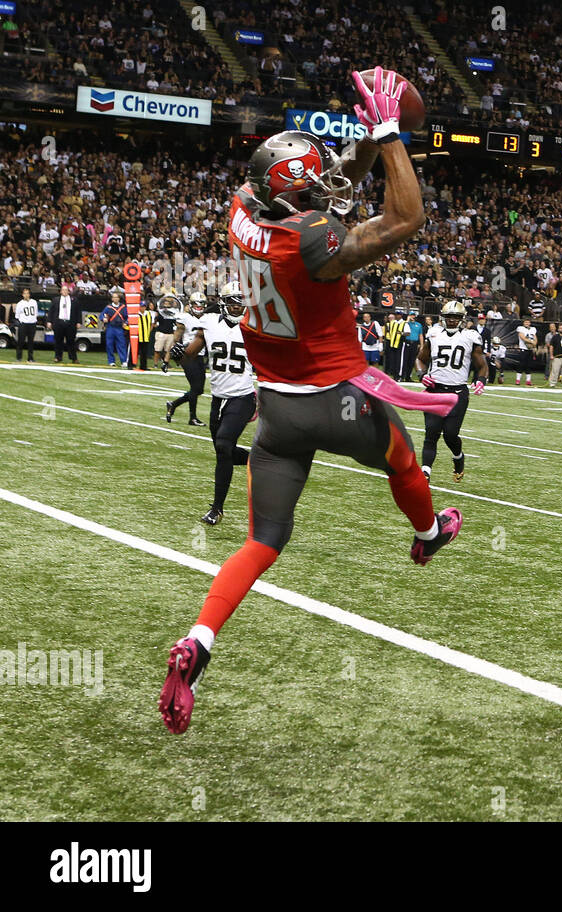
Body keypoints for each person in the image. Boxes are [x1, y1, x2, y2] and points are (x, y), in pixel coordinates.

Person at [159, 70, 463, 736]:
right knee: (405, 464)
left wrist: (353, 145)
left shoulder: (243, 209)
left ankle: (200, 641)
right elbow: (405, 218)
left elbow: (326, 191)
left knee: (262, 542)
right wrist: (386, 135)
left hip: (278, 413)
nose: (328, 183)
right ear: (300, 194)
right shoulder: (313, 243)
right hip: (340, 400)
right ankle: (425, 536)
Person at [179, 282, 257, 525]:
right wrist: (180, 352)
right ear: (223, 303)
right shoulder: (210, 323)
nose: (237, 306)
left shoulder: (252, 326)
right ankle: (258, 460)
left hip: (243, 396)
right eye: (233, 301)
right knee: (223, 452)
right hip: (218, 398)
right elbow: (191, 353)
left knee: (223, 445)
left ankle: (217, 508)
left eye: (240, 301)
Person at [418, 299, 488, 481]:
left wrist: (481, 380)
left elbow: (482, 365)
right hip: (435, 391)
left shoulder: (469, 336)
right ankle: (425, 473)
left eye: (455, 317)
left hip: (457, 393)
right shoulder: (433, 333)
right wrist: (421, 374)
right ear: (442, 317)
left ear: (462, 319)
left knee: (450, 435)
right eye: (449, 317)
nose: (451, 320)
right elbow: (420, 359)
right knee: (431, 432)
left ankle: (458, 458)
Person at [165, 293, 209, 426]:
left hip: (200, 355)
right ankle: (192, 418)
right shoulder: (184, 318)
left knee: (199, 389)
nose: (199, 306)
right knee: (195, 387)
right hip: (187, 356)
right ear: (191, 304)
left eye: (201, 303)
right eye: (196, 303)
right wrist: (166, 359)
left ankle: (173, 404)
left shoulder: (207, 319)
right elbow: (175, 339)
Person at [50, 284, 79, 364]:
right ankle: (58, 357)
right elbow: (51, 311)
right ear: (60, 291)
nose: (65, 292)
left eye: (66, 290)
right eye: (63, 290)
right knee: (58, 341)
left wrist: (79, 322)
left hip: (70, 323)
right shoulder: (56, 300)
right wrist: (49, 321)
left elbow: (78, 312)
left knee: (71, 341)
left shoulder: (74, 300)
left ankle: (74, 358)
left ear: (69, 292)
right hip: (59, 322)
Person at [101, 291, 129, 367]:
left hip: (119, 328)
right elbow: (102, 315)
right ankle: (111, 361)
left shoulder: (123, 307)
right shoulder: (108, 307)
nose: (115, 299)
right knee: (109, 344)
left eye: (116, 297)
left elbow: (127, 317)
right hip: (110, 327)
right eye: (113, 297)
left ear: (119, 299)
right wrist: (104, 319)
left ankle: (123, 361)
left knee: (121, 344)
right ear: (112, 299)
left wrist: (126, 323)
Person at [13, 287, 39, 362]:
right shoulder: (20, 304)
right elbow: (17, 316)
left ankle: (30, 358)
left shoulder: (34, 302)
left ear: (30, 294)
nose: (26, 295)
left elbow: (36, 313)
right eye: (25, 293)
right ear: (22, 294)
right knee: (21, 341)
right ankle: (19, 357)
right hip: (23, 324)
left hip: (32, 324)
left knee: (31, 342)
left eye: (27, 293)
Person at [515, 317, 537, 385]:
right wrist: (531, 341)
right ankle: (518, 380)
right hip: (523, 349)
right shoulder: (520, 328)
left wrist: (534, 343)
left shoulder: (533, 329)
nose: (527, 323)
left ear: (530, 323)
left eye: (528, 322)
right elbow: (522, 337)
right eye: (526, 322)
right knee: (521, 365)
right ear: (523, 323)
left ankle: (528, 380)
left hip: (530, 349)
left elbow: (535, 338)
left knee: (529, 365)